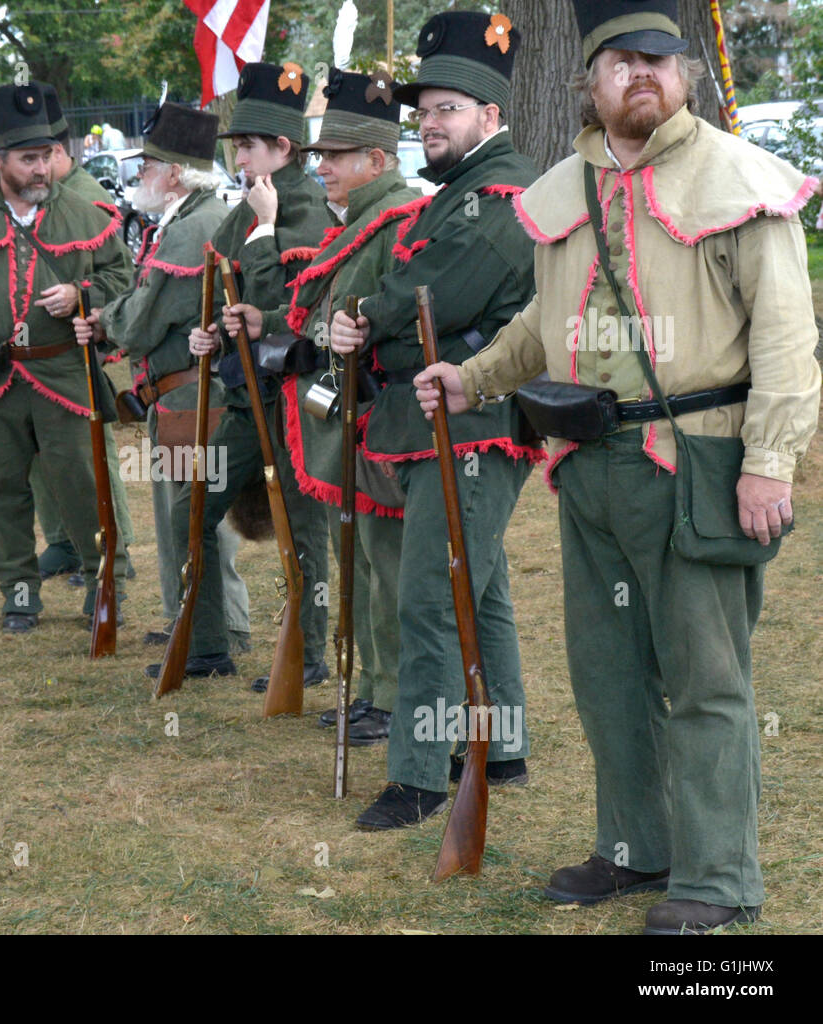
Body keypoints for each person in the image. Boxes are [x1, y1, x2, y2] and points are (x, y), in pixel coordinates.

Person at [415, 0, 820, 934]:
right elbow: (539, 320)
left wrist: (769, 464)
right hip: (586, 462)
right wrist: (471, 377)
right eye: (622, 62)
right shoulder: (566, 184)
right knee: (606, 673)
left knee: (705, 677)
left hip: (696, 459)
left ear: (685, 76)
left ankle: (719, 878)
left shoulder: (739, 180)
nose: (644, 75)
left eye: (660, 61)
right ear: (588, 84)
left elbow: (789, 338)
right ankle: (637, 848)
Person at [329, 11, 539, 827]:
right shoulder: (456, 195)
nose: (430, 123)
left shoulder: (501, 192)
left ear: (489, 117)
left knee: (429, 596)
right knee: (475, 593)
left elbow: (435, 295)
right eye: (425, 111)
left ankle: (418, 777)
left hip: (475, 421)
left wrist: (364, 312)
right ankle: (503, 744)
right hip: (438, 418)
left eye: (447, 109)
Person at [217, 70, 420, 734]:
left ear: (377, 160)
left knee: (384, 572)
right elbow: (309, 311)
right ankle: (370, 689)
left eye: (334, 157)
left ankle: (389, 699)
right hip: (342, 421)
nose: (322, 167)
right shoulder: (357, 224)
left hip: (377, 421)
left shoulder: (399, 223)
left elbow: (393, 324)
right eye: (321, 156)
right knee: (359, 564)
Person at [0, 82, 133, 634]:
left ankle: (102, 586)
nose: (41, 169)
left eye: (47, 156)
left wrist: (83, 294)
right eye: (28, 159)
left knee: (85, 486)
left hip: (63, 372)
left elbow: (122, 279)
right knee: (1, 491)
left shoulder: (88, 215)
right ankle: (18, 595)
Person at [179, 61, 341, 699]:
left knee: (304, 533)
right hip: (247, 401)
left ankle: (307, 653)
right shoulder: (246, 205)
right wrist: (209, 334)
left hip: (297, 402)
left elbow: (288, 310)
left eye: (248, 145)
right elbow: (225, 289)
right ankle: (207, 645)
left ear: (283, 146)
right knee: (195, 504)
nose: (239, 156)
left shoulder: (311, 207)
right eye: (237, 146)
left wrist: (268, 229)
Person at [73, 102, 244, 678]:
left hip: (192, 394)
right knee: (187, 514)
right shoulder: (190, 217)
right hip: (180, 392)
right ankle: (191, 619)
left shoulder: (191, 228)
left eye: (148, 164)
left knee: (190, 516)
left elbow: (145, 320)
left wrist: (104, 319)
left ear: (174, 172)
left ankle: (209, 639)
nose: (140, 174)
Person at [28, 82, 138, 584]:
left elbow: (120, 276)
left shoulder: (88, 200)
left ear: (55, 152)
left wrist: (79, 292)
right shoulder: (33, 199)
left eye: (34, 155)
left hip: (79, 343)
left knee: (91, 453)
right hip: (35, 351)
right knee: (43, 453)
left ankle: (114, 546)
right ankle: (65, 541)